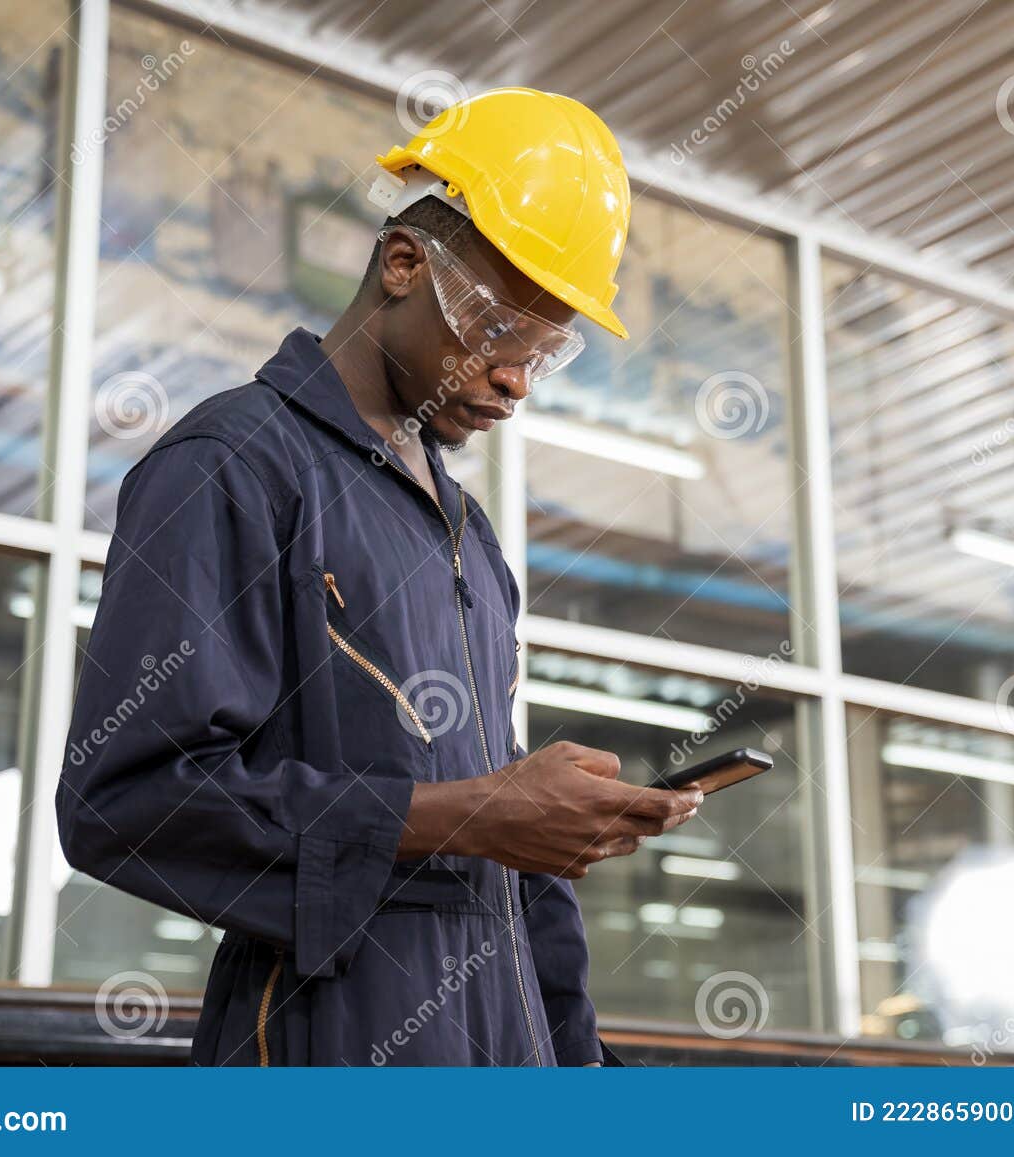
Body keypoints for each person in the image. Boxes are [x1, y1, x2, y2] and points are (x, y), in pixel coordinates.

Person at [57, 87, 702, 1066]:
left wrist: (578, 1064)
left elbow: (521, 878)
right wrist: (472, 813)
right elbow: (126, 800)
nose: (516, 380)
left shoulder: (467, 536)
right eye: (495, 330)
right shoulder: (235, 467)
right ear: (402, 264)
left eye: (544, 349)